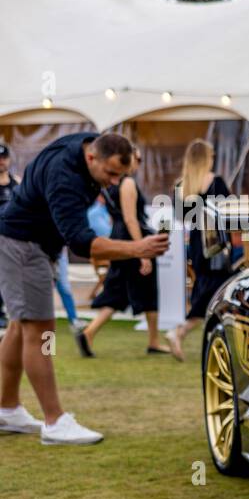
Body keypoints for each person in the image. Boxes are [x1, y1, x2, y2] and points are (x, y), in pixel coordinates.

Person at [0, 132, 169, 444]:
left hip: (26, 243)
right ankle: (55, 423)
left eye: (122, 175)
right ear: (92, 158)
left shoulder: (90, 143)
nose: (115, 182)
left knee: (18, 327)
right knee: (41, 330)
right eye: (111, 173)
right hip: (24, 246)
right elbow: (83, 243)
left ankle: (7, 409)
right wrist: (138, 249)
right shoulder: (67, 178)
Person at [78, 146, 180, 361]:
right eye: (137, 159)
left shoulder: (109, 184)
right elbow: (130, 218)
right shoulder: (127, 183)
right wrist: (141, 251)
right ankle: (151, 341)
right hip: (132, 239)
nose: (139, 164)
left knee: (118, 292)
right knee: (147, 289)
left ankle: (90, 332)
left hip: (120, 238)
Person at [166, 139, 232, 350]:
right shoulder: (216, 182)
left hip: (196, 241)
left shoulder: (181, 185)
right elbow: (229, 211)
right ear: (206, 158)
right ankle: (181, 330)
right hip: (216, 240)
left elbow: (180, 216)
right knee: (217, 287)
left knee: (206, 285)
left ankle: (204, 332)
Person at [0, 143, 18, 330]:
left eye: (4, 158)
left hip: (13, 239)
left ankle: (11, 312)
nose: (1, 162)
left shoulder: (17, 183)